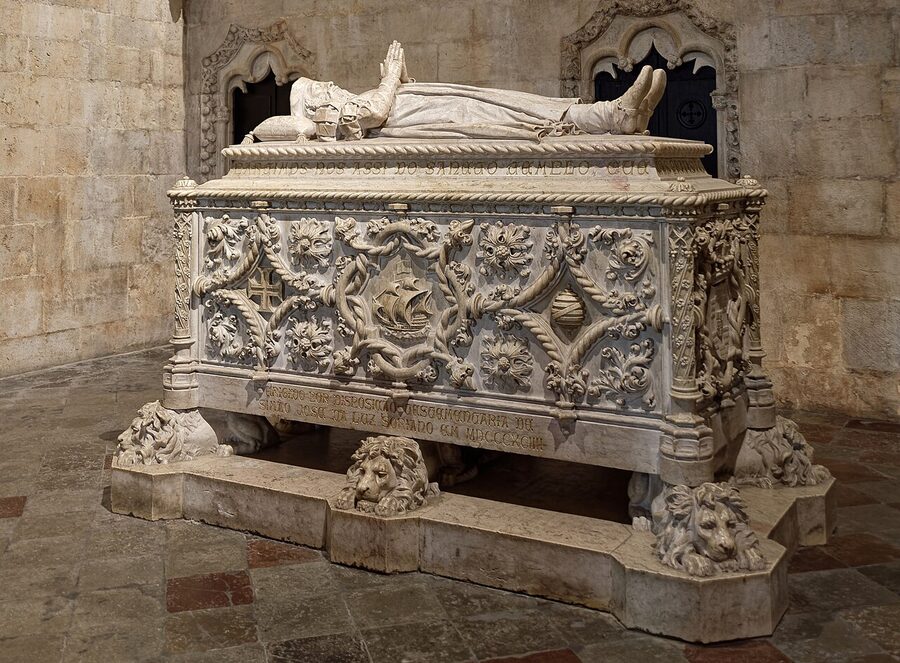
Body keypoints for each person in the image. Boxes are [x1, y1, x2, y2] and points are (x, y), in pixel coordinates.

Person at [251, 41, 666, 143]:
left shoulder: (341, 105)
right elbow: (376, 114)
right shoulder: (329, 116)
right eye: (323, 87)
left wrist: (402, 81)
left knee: (506, 103)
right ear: (314, 101)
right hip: (411, 119)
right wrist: (391, 76)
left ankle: (614, 113)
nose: (331, 85)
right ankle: (613, 117)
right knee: (501, 115)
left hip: (416, 104)